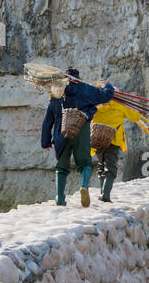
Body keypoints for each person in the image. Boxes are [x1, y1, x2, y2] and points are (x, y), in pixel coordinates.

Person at [41, 70, 114, 207]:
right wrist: (107, 85)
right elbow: (106, 96)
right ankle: (84, 186)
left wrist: (45, 141)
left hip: (61, 133)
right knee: (85, 163)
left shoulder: (57, 92)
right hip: (82, 130)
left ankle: (59, 198)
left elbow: (48, 120)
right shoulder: (86, 89)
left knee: (61, 166)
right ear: (78, 78)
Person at [89, 98, 149, 203]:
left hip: (97, 139)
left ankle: (103, 192)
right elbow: (135, 116)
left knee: (101, 165)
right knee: (110, 168)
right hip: (113, 141)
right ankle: (105, 196)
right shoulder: (120, 106)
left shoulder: (96, 106)